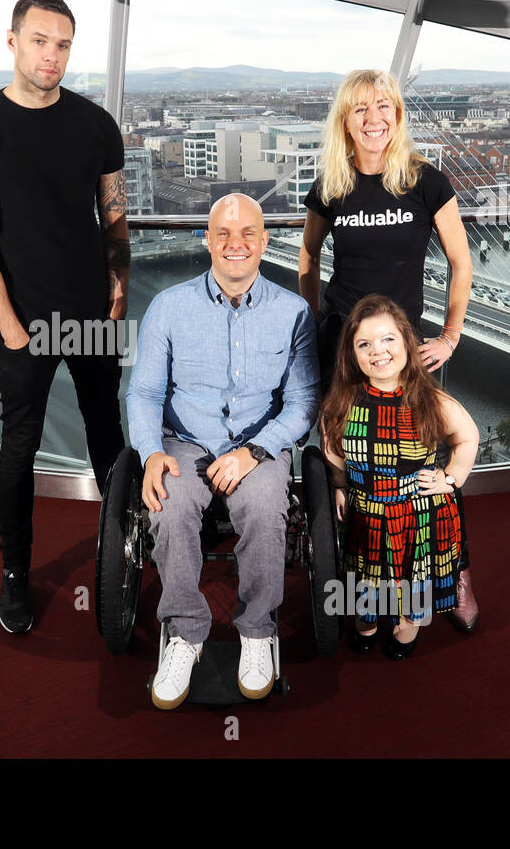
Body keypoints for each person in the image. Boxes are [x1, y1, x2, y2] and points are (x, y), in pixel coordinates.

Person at [0, 0, 129, 635]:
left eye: (63, 45)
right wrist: (14, 330)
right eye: (40, 41)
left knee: (108, 432)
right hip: (22, 321)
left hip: (90, 316)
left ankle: (128, 546)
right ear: (12, 41)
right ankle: (16, 575)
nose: (52, 56)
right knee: (18, 448)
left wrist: (117, 295)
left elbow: (114, 219)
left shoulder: (96, 125)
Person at [297, 67, 480, 631]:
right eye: (361, 109)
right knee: (352, 466)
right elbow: (306, 260)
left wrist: (450, 335)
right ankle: (363, 583)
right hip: (346, 345)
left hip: (405, 348)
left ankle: (456, 572)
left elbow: (460, 263)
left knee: (424, 461)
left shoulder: (426, 181)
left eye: (384, 107)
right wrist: (315, 323)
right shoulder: (332, 185)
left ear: (397, 117)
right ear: (346, 122)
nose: (374, 118)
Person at [127, 194, 319, 709]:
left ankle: (257, 631)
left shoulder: (294, 312)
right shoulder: (169, 307)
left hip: (259, 445)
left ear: (265, 240)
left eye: (248, 233)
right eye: (224, 234)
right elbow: (144, 394)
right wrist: (149, 452)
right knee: (167, 503)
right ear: (208, 241)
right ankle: (185, 632)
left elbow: (302, 403)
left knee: (261, 505)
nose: (237, 244)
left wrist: (255, 450)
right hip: (184, 443)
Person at [320, 294, 479, 659]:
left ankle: (407, 622)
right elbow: (331, 446)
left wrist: (450, 479)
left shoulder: (429, 400)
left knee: (413, 577)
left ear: (407, 343)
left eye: (388, 339)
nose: (379, 351)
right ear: (353, 354)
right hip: (367, 512)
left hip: (418, 514)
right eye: (365, 344)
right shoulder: (343, 402)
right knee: (366, 576)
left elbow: (468, 436)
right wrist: (341, 485)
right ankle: (368, 621)